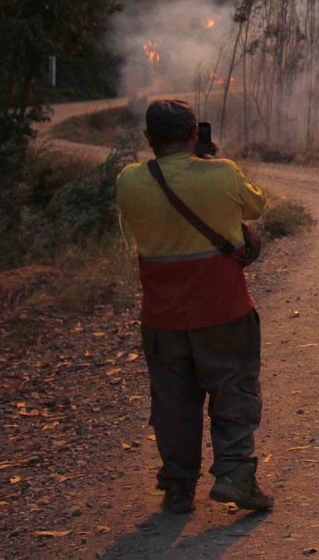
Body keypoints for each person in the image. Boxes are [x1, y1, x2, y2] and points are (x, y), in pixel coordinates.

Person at [115, 99, 272, 514]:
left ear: (148, 139)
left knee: (172, 403)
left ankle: (178, 487)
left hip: (163, 318)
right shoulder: (223, 174)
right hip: (224, 312)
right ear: (193, 134)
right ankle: (235, 475)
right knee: (233, 390)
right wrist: (211, 162)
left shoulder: (129, 181)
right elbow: (256, 206)